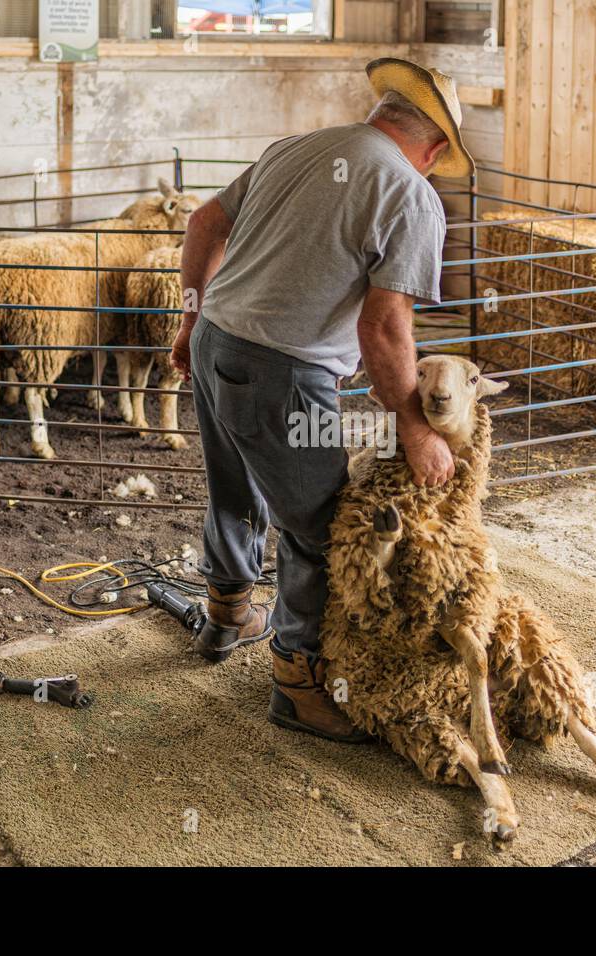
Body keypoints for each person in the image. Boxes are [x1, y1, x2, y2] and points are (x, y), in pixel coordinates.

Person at [170, 58, 475, 741]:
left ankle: (226, 618)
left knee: (234, 486)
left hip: (216, 341)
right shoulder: (410, 192)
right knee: (320, 526)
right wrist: (414, 427)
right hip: (283, 370)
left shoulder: (296, 149)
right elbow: (386, 326)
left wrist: (190, 322)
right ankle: (298, 684)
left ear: (384, 114)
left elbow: (201, 224)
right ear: (433, 147)